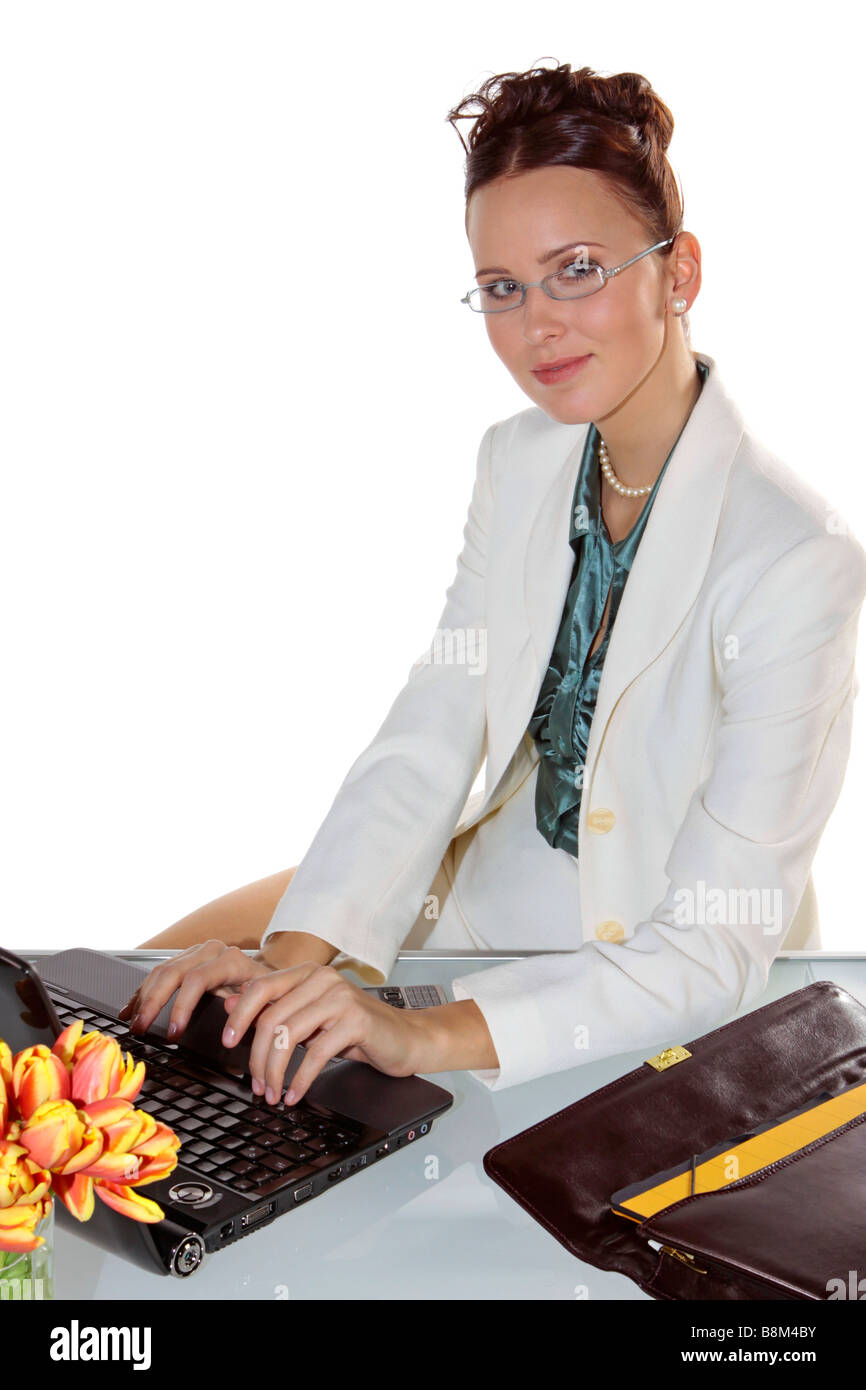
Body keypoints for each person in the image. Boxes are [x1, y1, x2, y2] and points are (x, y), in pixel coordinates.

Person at [119, 60, 866, 1107]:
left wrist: (411, 1034)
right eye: (503, 289)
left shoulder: (796, 558)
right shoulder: (515, 462)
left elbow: (707, 951)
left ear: (679, 272)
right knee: (120, 1025)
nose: (536, 327)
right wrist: (300, 957)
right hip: (467, 901)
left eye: (577, 270)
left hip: (646, 993)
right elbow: (433, 724)